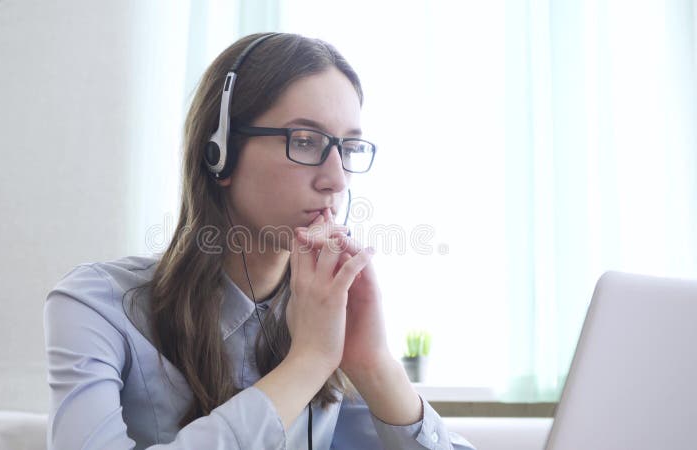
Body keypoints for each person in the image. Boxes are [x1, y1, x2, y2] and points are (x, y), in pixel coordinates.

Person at [43, 32, 476, 450]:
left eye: (348, 148)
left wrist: (374, 363)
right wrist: (306, 362)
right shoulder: (96, 304)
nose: (337, 179)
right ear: (219, 154)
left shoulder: (324, 315)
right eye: (304, 141)